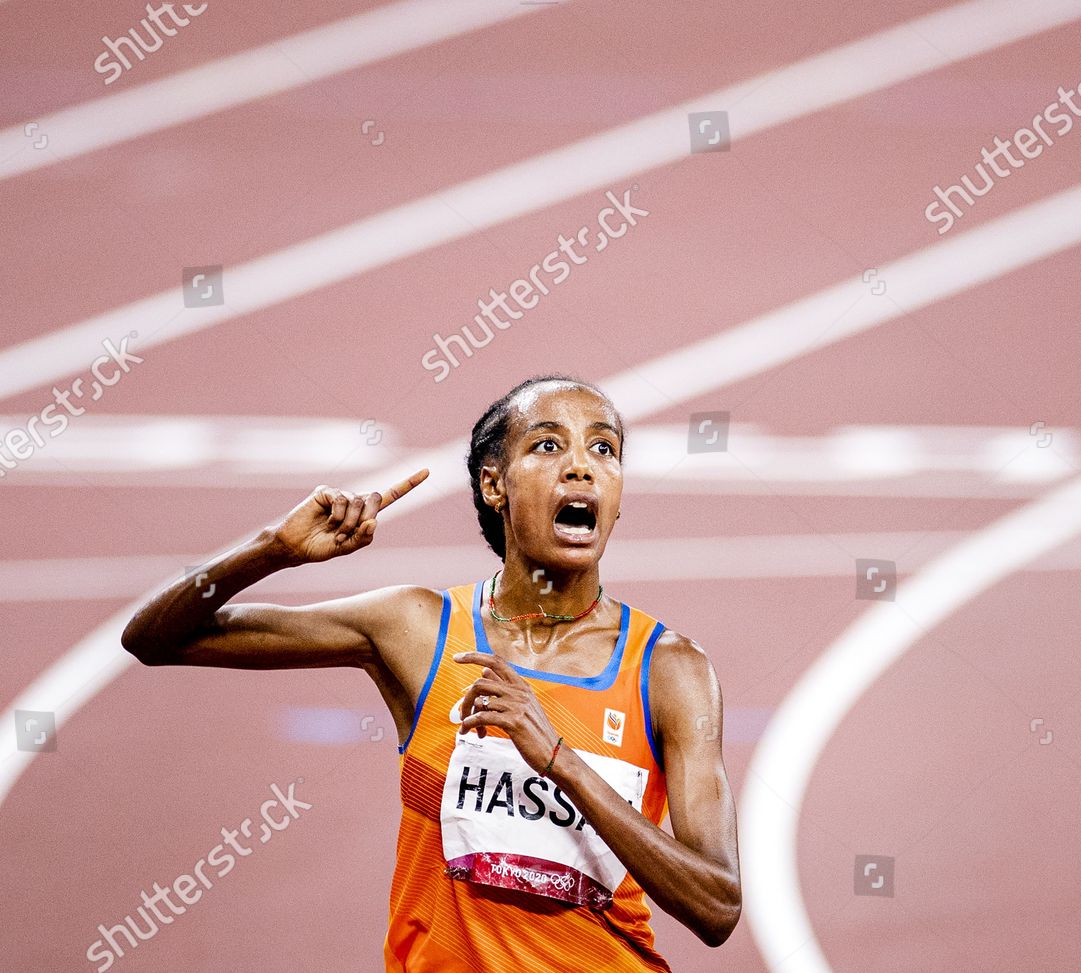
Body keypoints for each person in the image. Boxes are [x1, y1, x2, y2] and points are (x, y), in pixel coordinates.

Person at [122, 374, 741, 971]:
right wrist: (272, 550)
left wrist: (558, 760)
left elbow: (716, 905)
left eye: (604, 448)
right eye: (548, 444)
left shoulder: (669, 670)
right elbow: (152, 638)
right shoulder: (418, 629)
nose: (581, 465)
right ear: (493, 485)